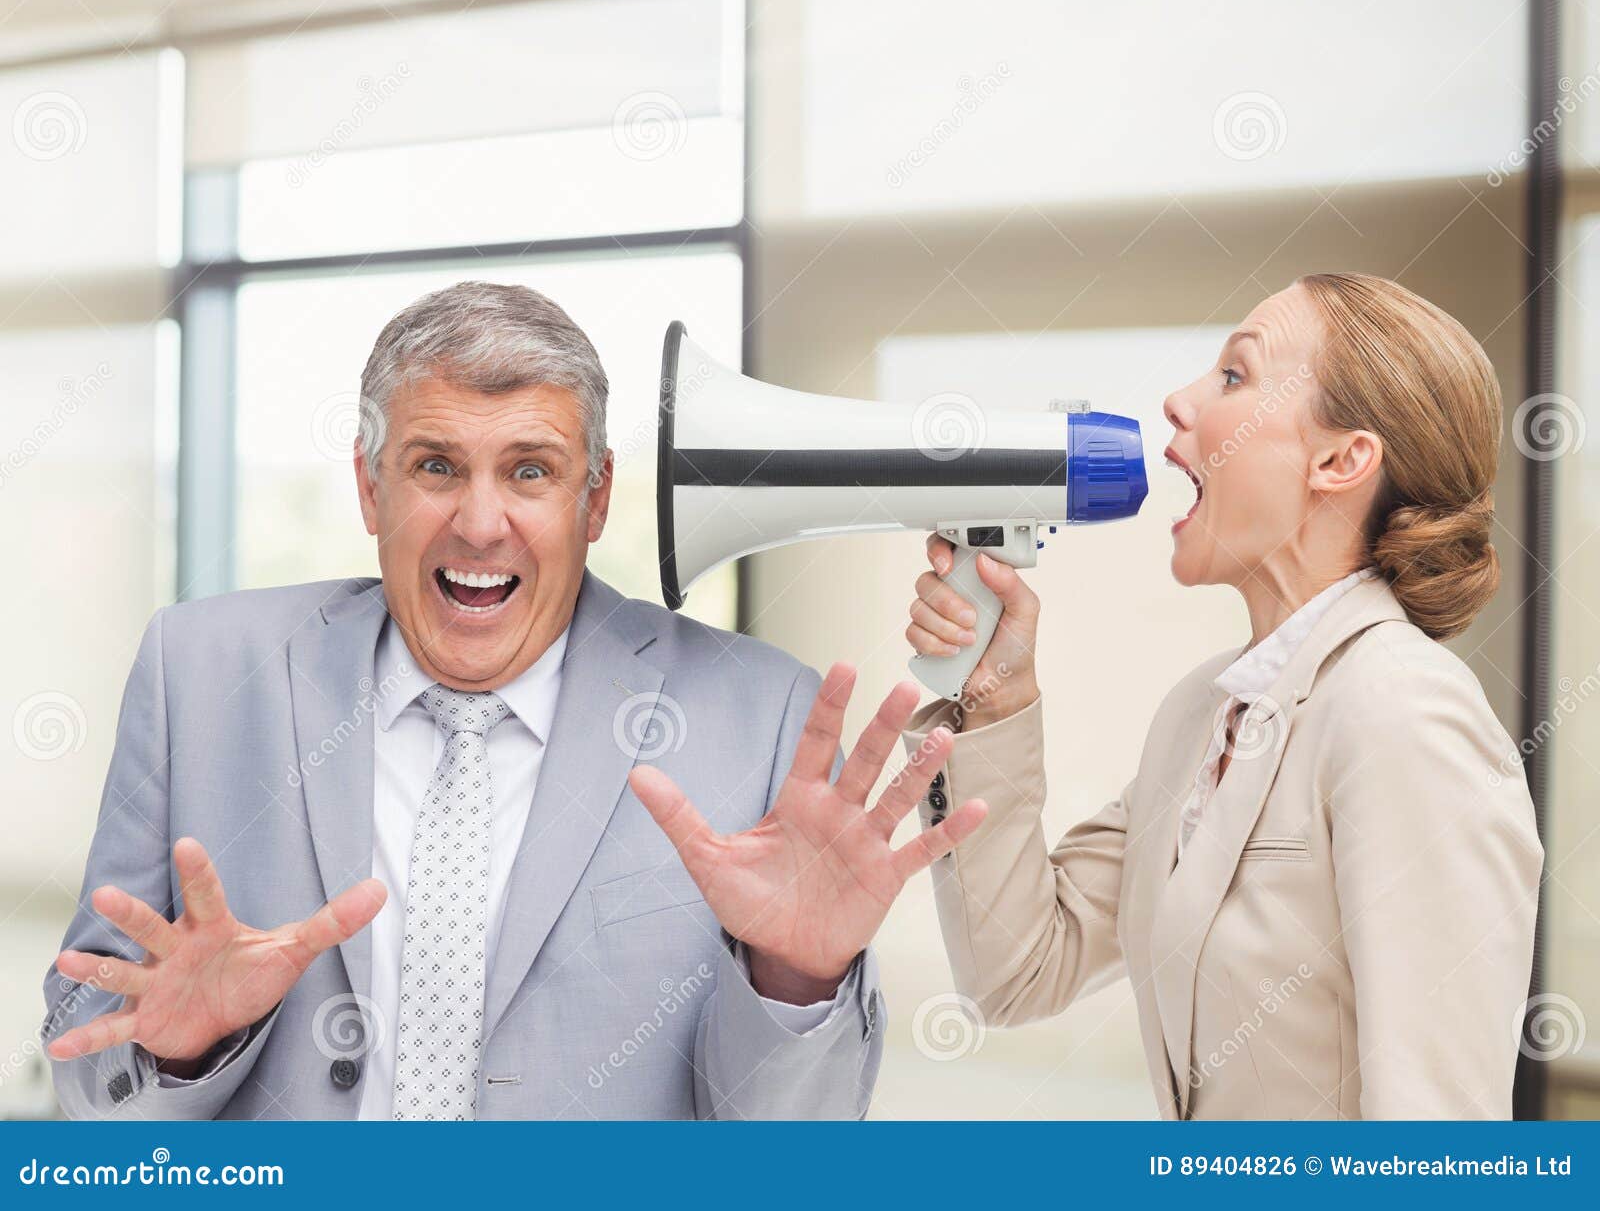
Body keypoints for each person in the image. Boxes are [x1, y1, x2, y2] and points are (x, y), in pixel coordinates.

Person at [41, 281, 984, 1120]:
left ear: (598, 496)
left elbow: (788, 1155)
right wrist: (175, 1045)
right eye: (435, 466)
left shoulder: (761, 713)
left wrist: (796, 978)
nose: (482, 523)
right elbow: (84, 1070)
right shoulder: (199, 669)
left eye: (530, 470)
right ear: (371, 487)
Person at [898, 273, 1543, 1119]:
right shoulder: (1200, 716)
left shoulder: (1405, 714)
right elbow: (1019, 969)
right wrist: (994, 690)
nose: (1176, 400)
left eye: (1234, 376)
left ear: (1342, 459)